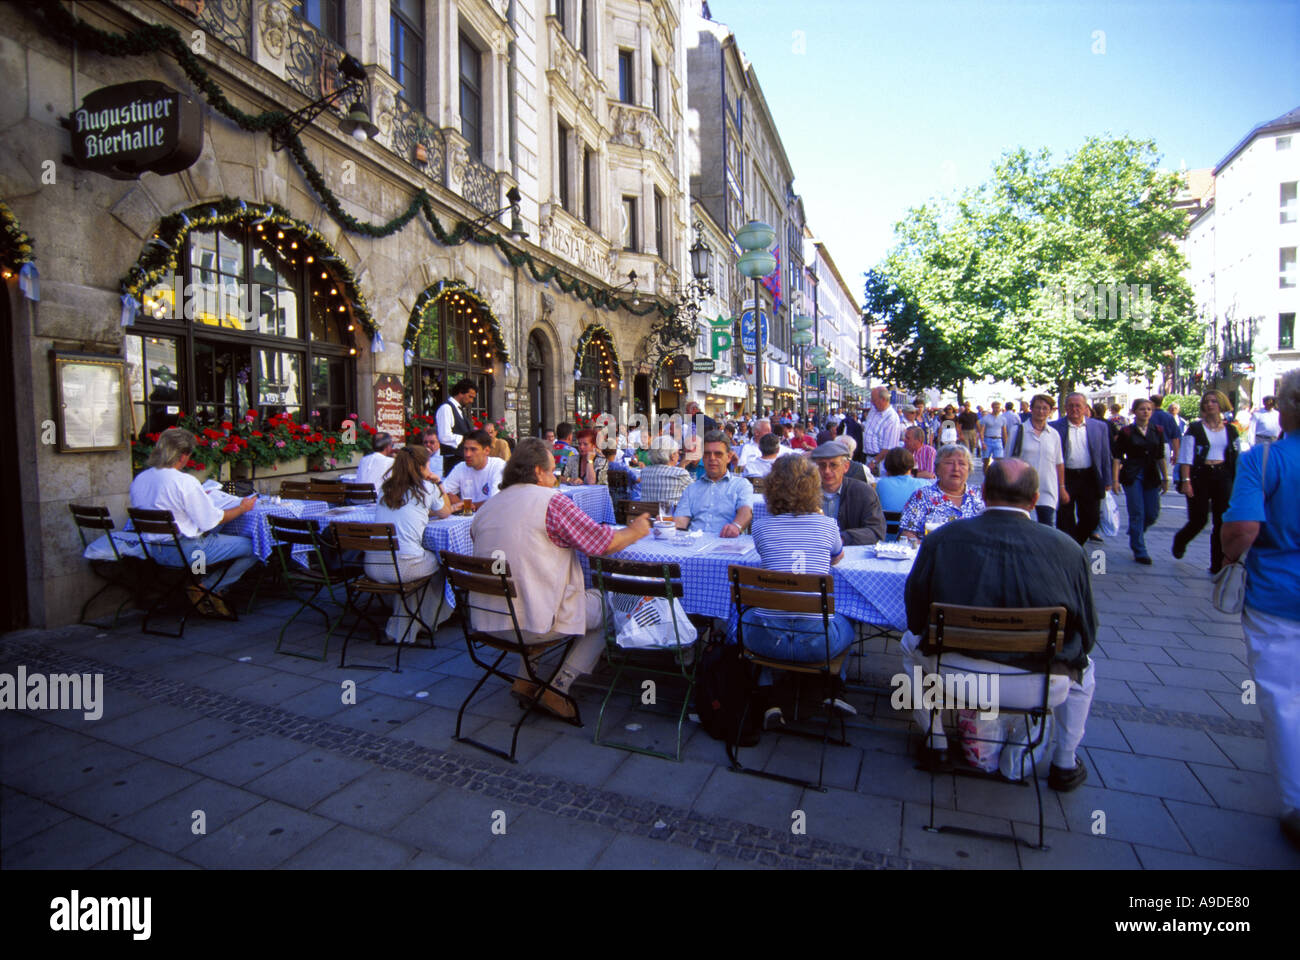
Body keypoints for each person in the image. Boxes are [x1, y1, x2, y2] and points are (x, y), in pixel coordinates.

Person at [901, 458, 1097, 790]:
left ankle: (936, 743)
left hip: (955, 675)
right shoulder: (1069, 549)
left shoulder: (941, 540)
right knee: (1086, 668)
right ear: (1034, 500)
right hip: (1040, 683)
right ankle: (1064, 762)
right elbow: (1087, 631)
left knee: (908, 643)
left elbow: (916, 619)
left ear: (985, 494)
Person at [470, 438, 653, 719]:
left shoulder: (487, 508)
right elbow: (602, 544)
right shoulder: (552, 502)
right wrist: (637, 530)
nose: (555, 479)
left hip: (487, 620)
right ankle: (558, 686)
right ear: (537, 472)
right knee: (610, 602)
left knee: (529, 591)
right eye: (552, 472)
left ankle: (525, 678)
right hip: (531, 624)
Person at [1221, 370, 1300, 849]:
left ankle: (1296, 803)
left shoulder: (1263, 459)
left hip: (1278, 598)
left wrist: (1229, 558)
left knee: (1284, 700)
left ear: (1286, 408)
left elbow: (1243, 528)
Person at [742, 454, 857, 725]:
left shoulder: (760, 527)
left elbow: (769, 553)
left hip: (765, 640)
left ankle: (768, 692)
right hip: (818, 644)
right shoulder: (828, 526)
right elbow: (837, 556)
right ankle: (834, 687)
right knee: (850, 614)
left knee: (751, 614)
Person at [128, 426, 258, 616]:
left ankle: (198, 580)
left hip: (153, 550)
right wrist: (242, 508)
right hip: (189, 553)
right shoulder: (183, 481)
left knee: (211, 538)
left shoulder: (141, 478)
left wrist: (198, 498)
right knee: (255, 546)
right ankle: (208, 587)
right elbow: (211, 521)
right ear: (182, 455)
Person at [367, 445, 453, 643]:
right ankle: (426, 620)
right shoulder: (427, 488)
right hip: (403, 568)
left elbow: (409, 509)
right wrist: (439, 482)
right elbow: (446, 512)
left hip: (373, 566)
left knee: (412, 560)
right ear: (423, 467)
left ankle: (405, 622)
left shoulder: (385, 489)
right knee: (441, 562)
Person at [1173, 389, 1240, 574]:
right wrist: (1186, 480)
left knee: (1221, 520)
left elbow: (1236, 455)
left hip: (1223, 475)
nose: (1209, 404)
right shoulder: (1194, 428)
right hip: (1199, 475)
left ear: (1221, 405)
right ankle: (1181, 540)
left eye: (1213, 401)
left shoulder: (1231, 429)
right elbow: (1186, 456)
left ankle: (1216, 563)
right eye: (1206, 401)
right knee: (1199, 519)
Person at [1050, 392, 1114, 546]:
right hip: (1065, 477)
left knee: (1092, 518)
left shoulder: (1099, 427)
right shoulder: (1055, 427)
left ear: (1085, 408)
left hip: (1089, 477)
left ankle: (1075, 545)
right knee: (1064, 519)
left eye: (1078, 405)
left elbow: (1105, 454)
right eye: (1070, 405)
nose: (1074, 409)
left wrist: (1108, 479)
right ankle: (1069, 550)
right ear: (1065, 408)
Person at [1111, 398, 1168, 564]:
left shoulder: (1157, 430)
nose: (1146, 412)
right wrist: (1115, 480)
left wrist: (1165, 478)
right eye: (1142, 409)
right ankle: (1139, 549)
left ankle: (1136, 531)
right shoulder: (1126, 432)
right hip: (1132, 473)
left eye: (1149, 409)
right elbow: (1117, 458)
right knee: (1137, 512)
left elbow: (1160, 456)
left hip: (1151, 473)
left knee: (1152, 513)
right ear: (1134, 411)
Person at [672, 431, 754, 537]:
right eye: (707, 454)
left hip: (727, 543)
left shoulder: (741, 485)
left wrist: (736, 526)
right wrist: (668, 525)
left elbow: (746, 511)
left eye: (718, 454)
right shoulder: (691, 488)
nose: (712, 458)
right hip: (694, 544)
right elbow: (681, 521)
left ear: (728, 457)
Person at [899, 444, 985, 541]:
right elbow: (907, 533)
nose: (956, 468)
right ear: (937, 469)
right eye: (949, 463)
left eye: (962, 464)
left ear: (969, 470)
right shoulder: (922, 496)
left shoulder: (981, 496)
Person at [810, 440, 886, 545]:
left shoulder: (863, 492)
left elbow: (876, 531)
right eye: (822, 465)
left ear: (846, 467)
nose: (827, 471)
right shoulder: (805, 493)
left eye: (833, 465)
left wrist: (842, 539)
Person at [1010, 393, 1066, 526]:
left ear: (1050, 411)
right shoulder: (1018, 431)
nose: (1041, 411)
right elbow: (1008, 461)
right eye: (1038, 408)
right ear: (1031, 409)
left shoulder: (1054, 434)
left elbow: (1059, 463)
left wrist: (1062, 487)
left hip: (1047, 488)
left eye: (1045, 408)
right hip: (1022, 487)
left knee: (1047, 526)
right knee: (1021, 525)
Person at [442, 429, 505, 512]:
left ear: (486, 450)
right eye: (465, 449)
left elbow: (495, 502)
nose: (467, 454)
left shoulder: (498, 465)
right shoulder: (460, 467)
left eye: (473, 449)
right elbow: (441, 495)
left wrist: (464, 504)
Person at [640, 435, 693, 512]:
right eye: (678, 453)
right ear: (672, 456)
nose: (679, 456)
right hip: (671, 520)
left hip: (648, 519)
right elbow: (698, 494)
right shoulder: (680, 473)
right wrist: (682, 465)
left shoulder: (644, 472)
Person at [435, 379, 476, 473]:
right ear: (461, 392)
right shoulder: (446, 408)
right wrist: (464, 438)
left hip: (463, 459)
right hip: (453, 460)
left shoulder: (460, 410)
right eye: (470, 397)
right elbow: (444, 436)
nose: (471, 401)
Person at [862, 386, 903, 475]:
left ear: (883, 399)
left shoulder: (892, 418)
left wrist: (874, 462)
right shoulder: (874, 410)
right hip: (868, 457)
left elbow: (889, 448)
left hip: (880, 461)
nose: (872, 402)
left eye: (874, 400)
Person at [877, 447, 930, 514]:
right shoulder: (924, 484)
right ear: (911, 465)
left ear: (887, 466)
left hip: (888, 523)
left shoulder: (881, 484)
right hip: (915, 523)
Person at [1148, 394, 1182, 465]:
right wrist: (1176, 455)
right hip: (1166, 446)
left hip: (1150, 446)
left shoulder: (1148, 416)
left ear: (1152, 403)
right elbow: (1175, 437)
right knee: (1165, 472)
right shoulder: (1169, 417)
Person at [978, 400, 1008, 471]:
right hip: (987, 439)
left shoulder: (1003, 419)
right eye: (995, 407)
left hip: (998, 440)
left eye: (998, 408)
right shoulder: (986, 418)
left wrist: (1006, 443)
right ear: (992, 408)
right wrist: (982, 442)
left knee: (999, 460)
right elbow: (981, 431)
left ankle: (995, 476)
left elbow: (1004, 432)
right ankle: (986, 477)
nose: (997, 409)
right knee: (986, 461)